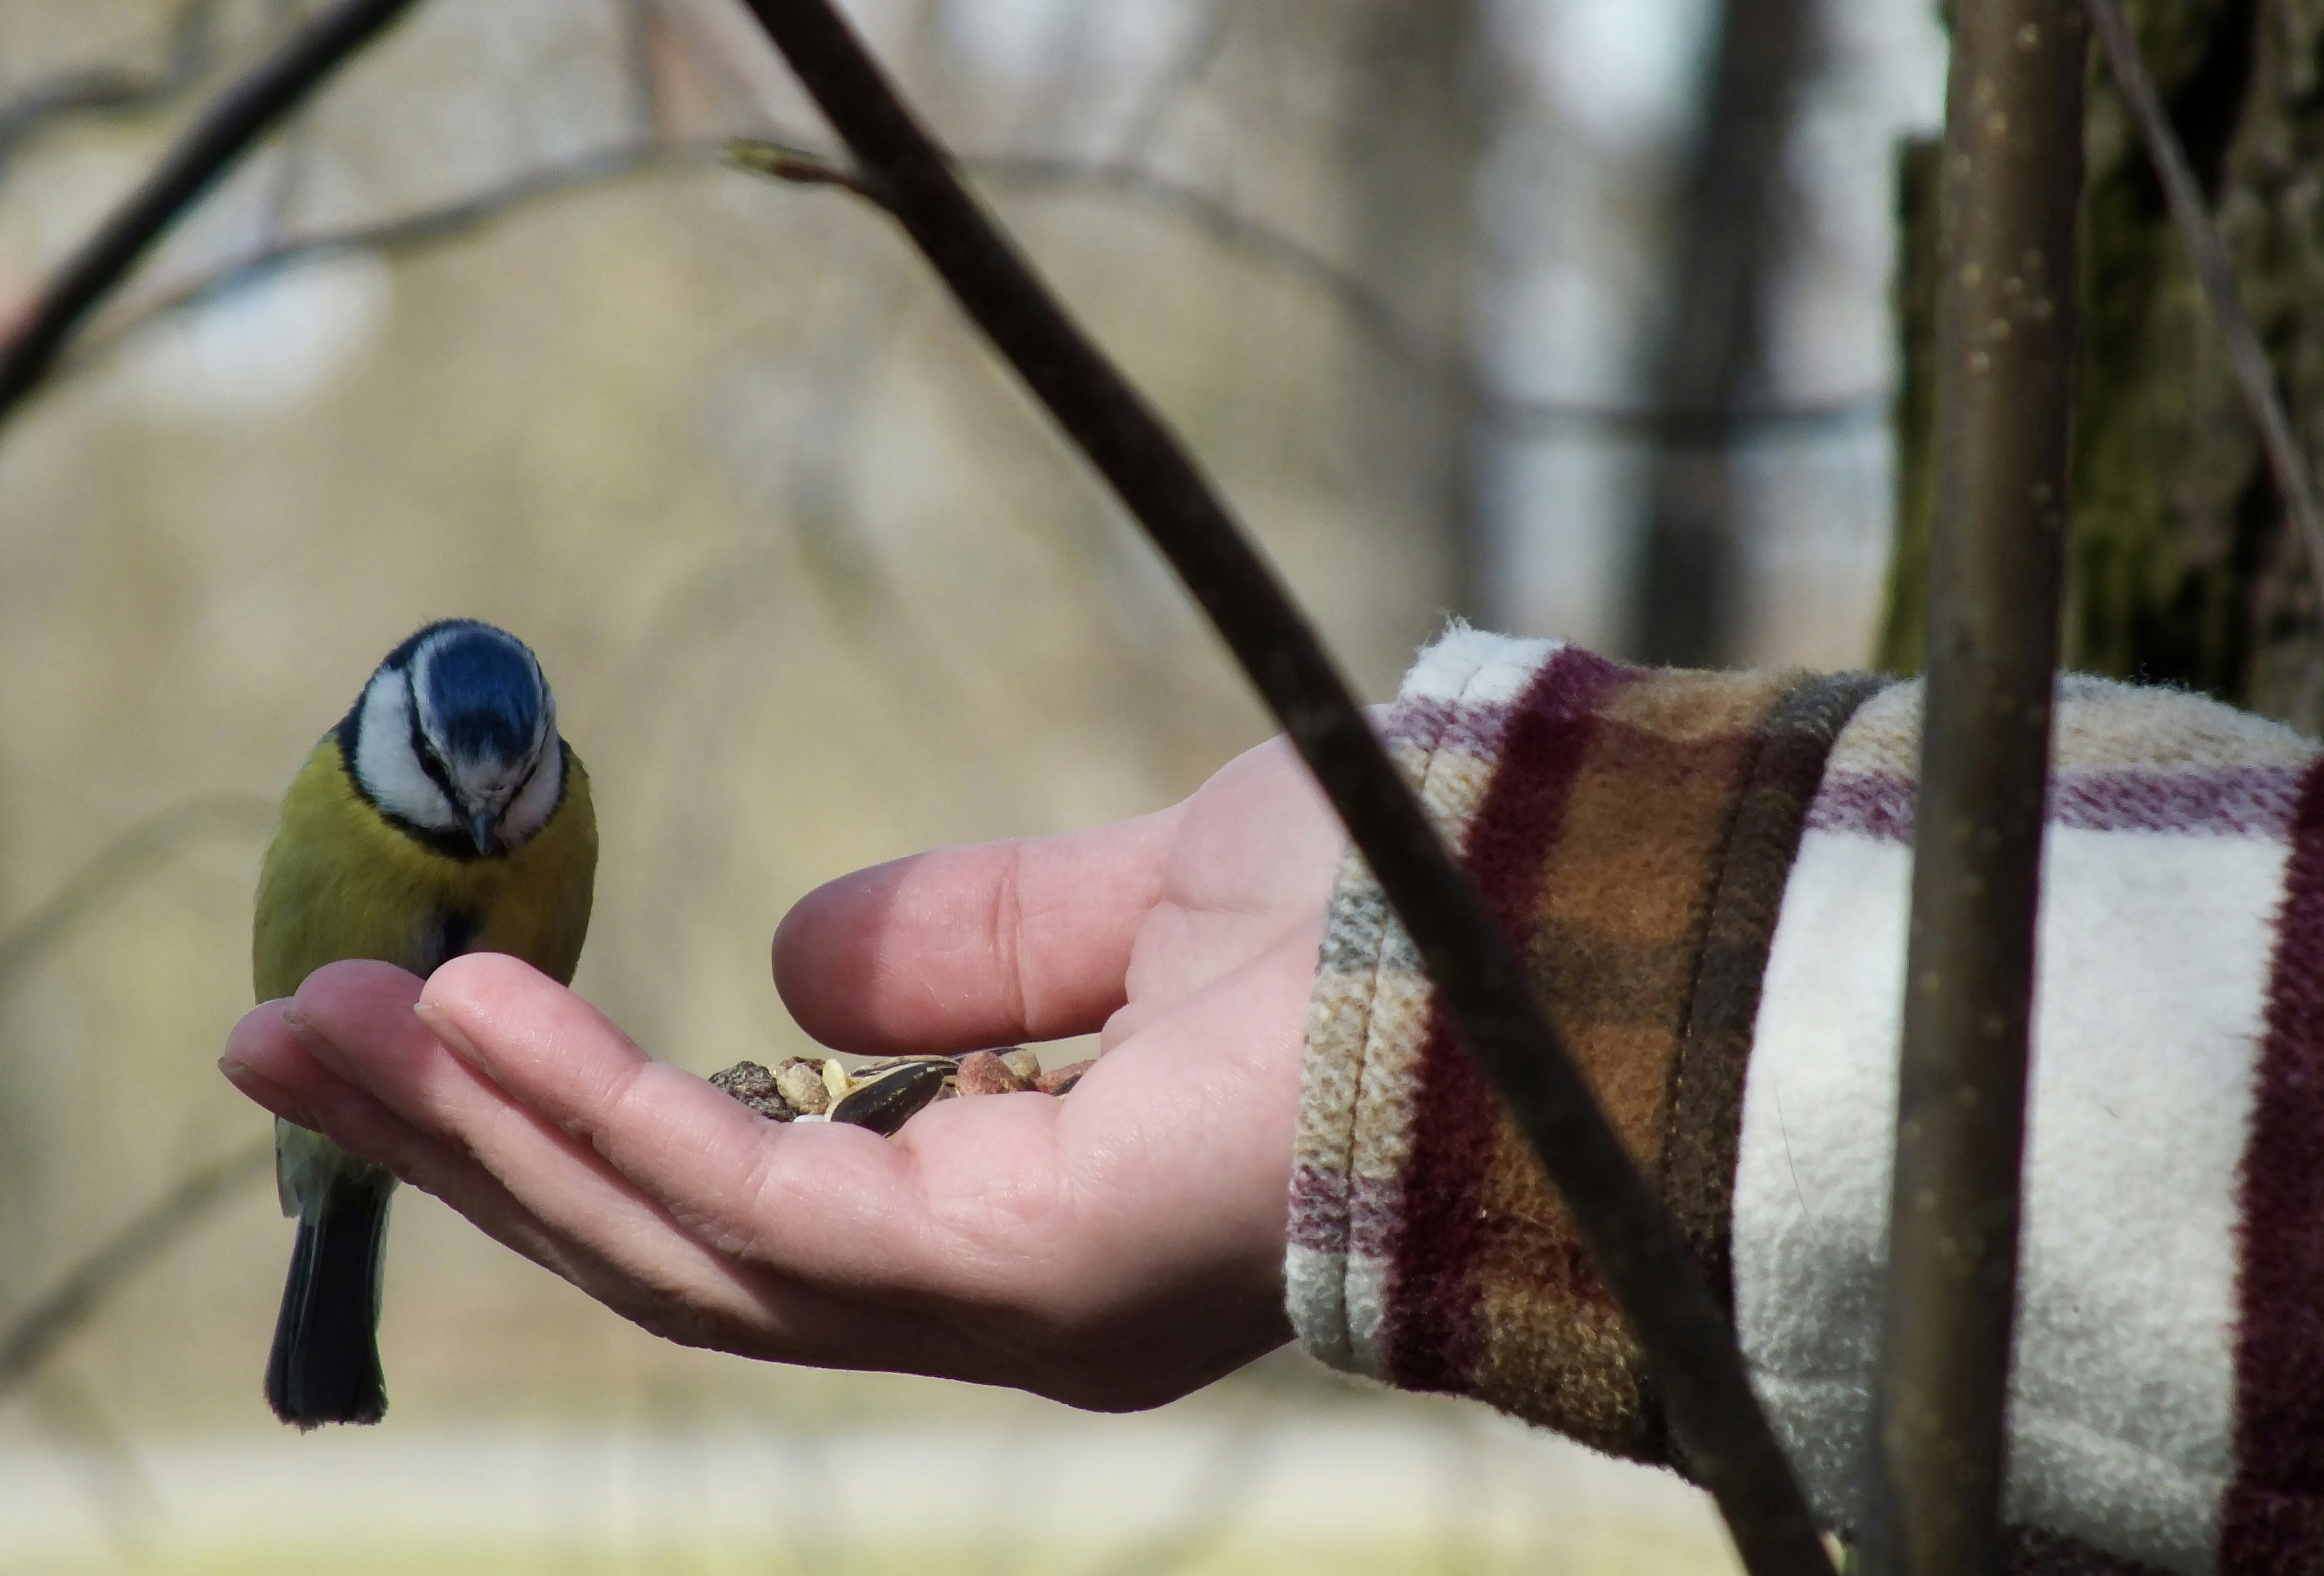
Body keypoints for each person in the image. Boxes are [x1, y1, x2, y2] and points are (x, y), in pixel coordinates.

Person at [222, 629, 2324, 1572]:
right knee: (360, 1074)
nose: (497, 814)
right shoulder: (332, 809)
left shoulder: (552, 810)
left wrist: (1472, 974)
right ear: (385, 738)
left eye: (521, 782)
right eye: (460, 781)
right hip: (348, 1078)